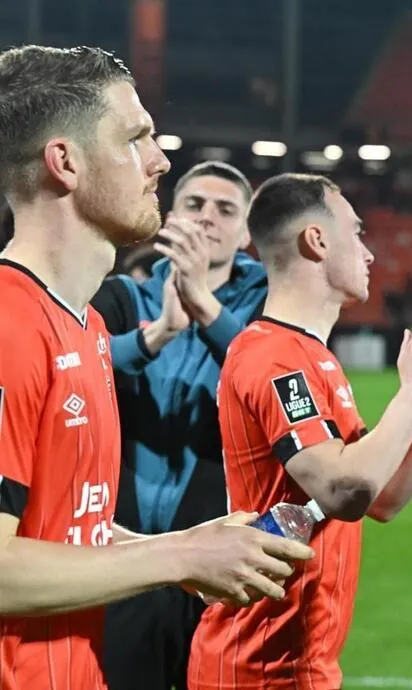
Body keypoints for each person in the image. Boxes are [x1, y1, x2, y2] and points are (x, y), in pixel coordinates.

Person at [0, 44, 313, 690]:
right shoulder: (8, 324)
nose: (161, 160)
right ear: (66, 163)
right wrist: (181, 552)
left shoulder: (83, 325)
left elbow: (67, 532)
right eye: (136, 137)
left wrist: (194, 545)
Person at [187, 173, 412, 690]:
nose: (369, 253)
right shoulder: (274, 358)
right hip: (257, 665)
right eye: (357, 233)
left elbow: (380, 496)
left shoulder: (312, 358)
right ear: (316, 241)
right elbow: (344, 490)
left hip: (301, 661)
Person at [90, 160, 266, 690]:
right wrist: (159, 333)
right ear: (169, 217)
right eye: (194, 204)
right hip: (126, 552)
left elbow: (269, 375)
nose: (208, 217)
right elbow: (81, 361)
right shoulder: (121, 294)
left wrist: (205, 307)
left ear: (246, 234)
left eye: (225, 209)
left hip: (220, 556)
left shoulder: (268, 301)